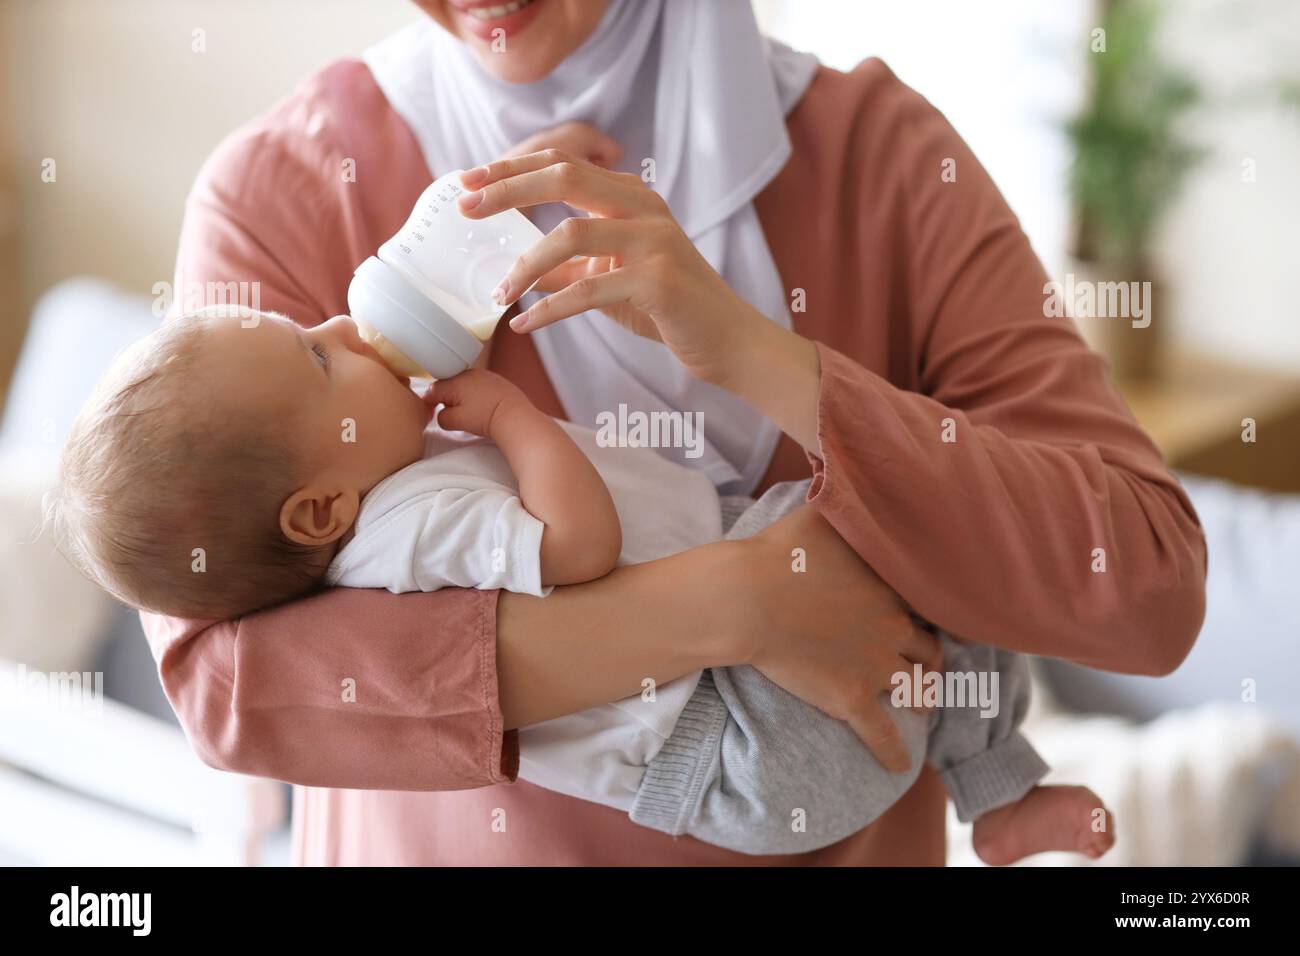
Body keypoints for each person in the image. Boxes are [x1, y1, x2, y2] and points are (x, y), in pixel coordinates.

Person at [142, 0, 1206, 865]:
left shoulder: (884, 162)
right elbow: (228, 686)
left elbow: (1147, 582)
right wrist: (729, 605)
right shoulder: (285, 187)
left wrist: (763, 357)